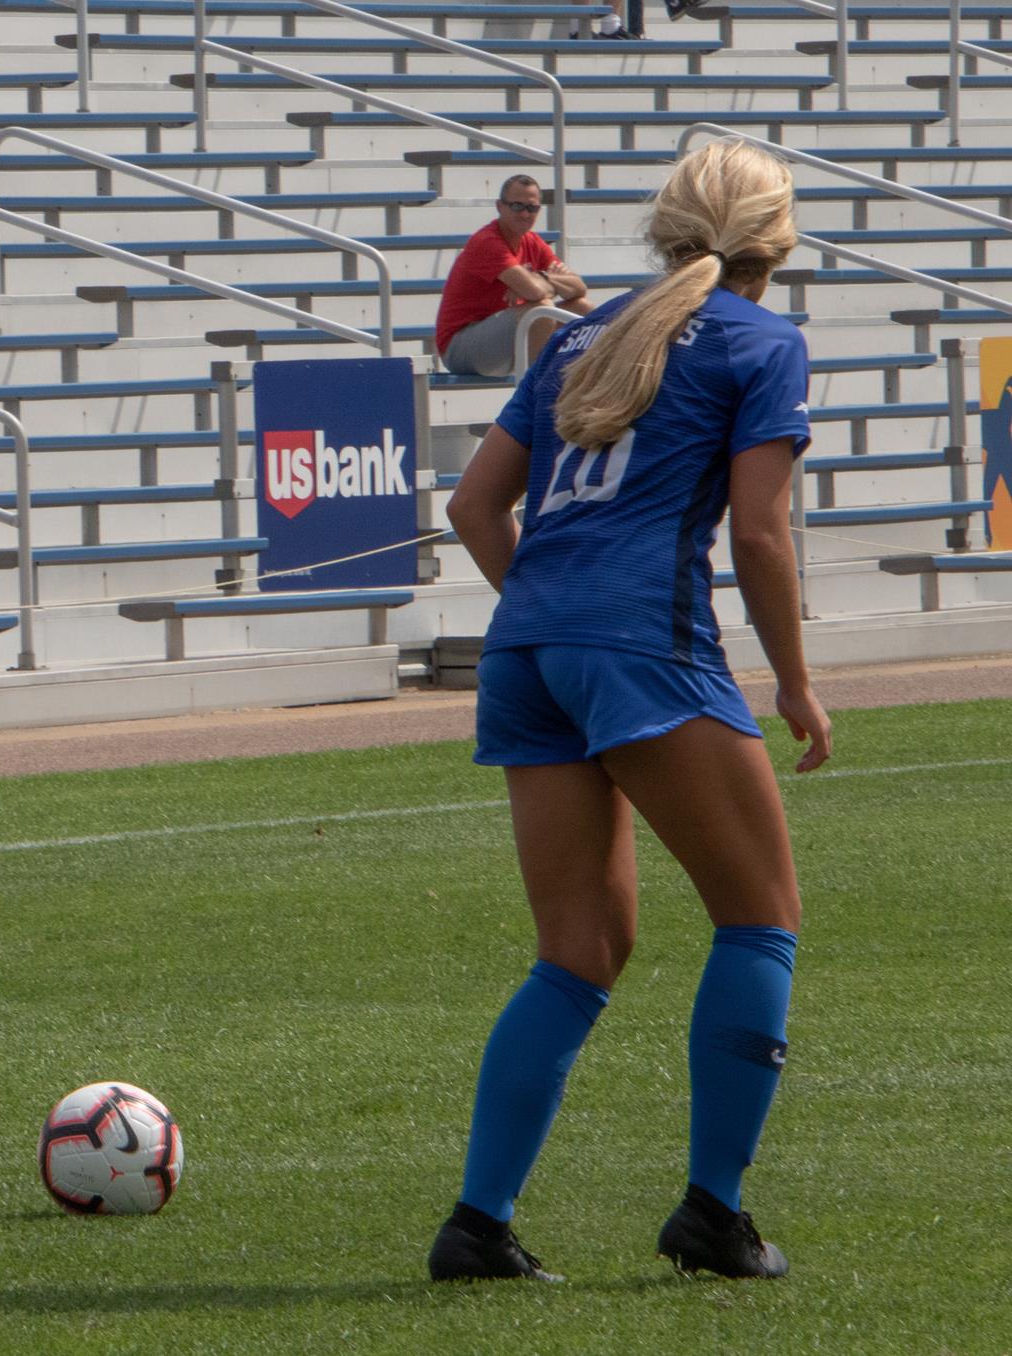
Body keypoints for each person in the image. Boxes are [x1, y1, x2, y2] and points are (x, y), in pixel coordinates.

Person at [428, 137, 831, 1283]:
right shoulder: (762, 340)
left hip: (527, 650)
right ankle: (711, 1212)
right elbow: (756, 532)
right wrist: (795, 684)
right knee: (757, 920)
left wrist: (553, 615)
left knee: (577, 952)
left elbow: (470, 506)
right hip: (639, 647)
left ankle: (477, 1225)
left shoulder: (584, 332)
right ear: (774, 242)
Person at [435, 176, 594, 380]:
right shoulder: (487, 241)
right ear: (500, 207)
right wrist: (541, 284)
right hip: (460, 347)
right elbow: (535, 292)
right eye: (517, 206)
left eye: (532, 208)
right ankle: (536, 393)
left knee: (582, 308)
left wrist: (540, 277)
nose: (525, 214)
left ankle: (575, 386)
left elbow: (579, 288)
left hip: (502, 338)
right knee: (540, 308)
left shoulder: (532, 241)